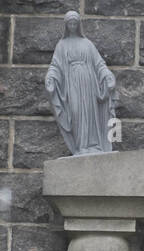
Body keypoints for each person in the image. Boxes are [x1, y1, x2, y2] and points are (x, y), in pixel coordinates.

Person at [44, 11, 116, 155]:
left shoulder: (87, 44)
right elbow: (55, 66)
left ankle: (94, 145)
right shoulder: (62, 45)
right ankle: (81, 146)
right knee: (76, 112)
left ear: (78, 25)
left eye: (74, 23)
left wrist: (107, 75)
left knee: (90, 113)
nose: (72, 26)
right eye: (69, 24)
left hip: (89, 83)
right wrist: (51, 77)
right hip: (72, 84)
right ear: (66, 26)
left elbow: (99, 64)